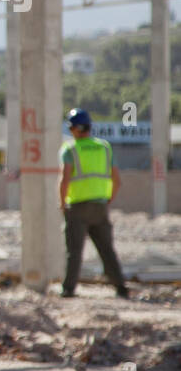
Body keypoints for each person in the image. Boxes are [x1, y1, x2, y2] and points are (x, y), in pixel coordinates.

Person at [59, 108, 128, 298]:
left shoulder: (70, 149)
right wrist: (107, 200)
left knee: (74, 251)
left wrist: (62, 203)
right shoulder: (104, 147)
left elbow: (64, 180)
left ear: (73, 128)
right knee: (107, 250)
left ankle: (68, 289)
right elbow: (117, 180)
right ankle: (120, 287)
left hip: (77, 207)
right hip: (100, 207)